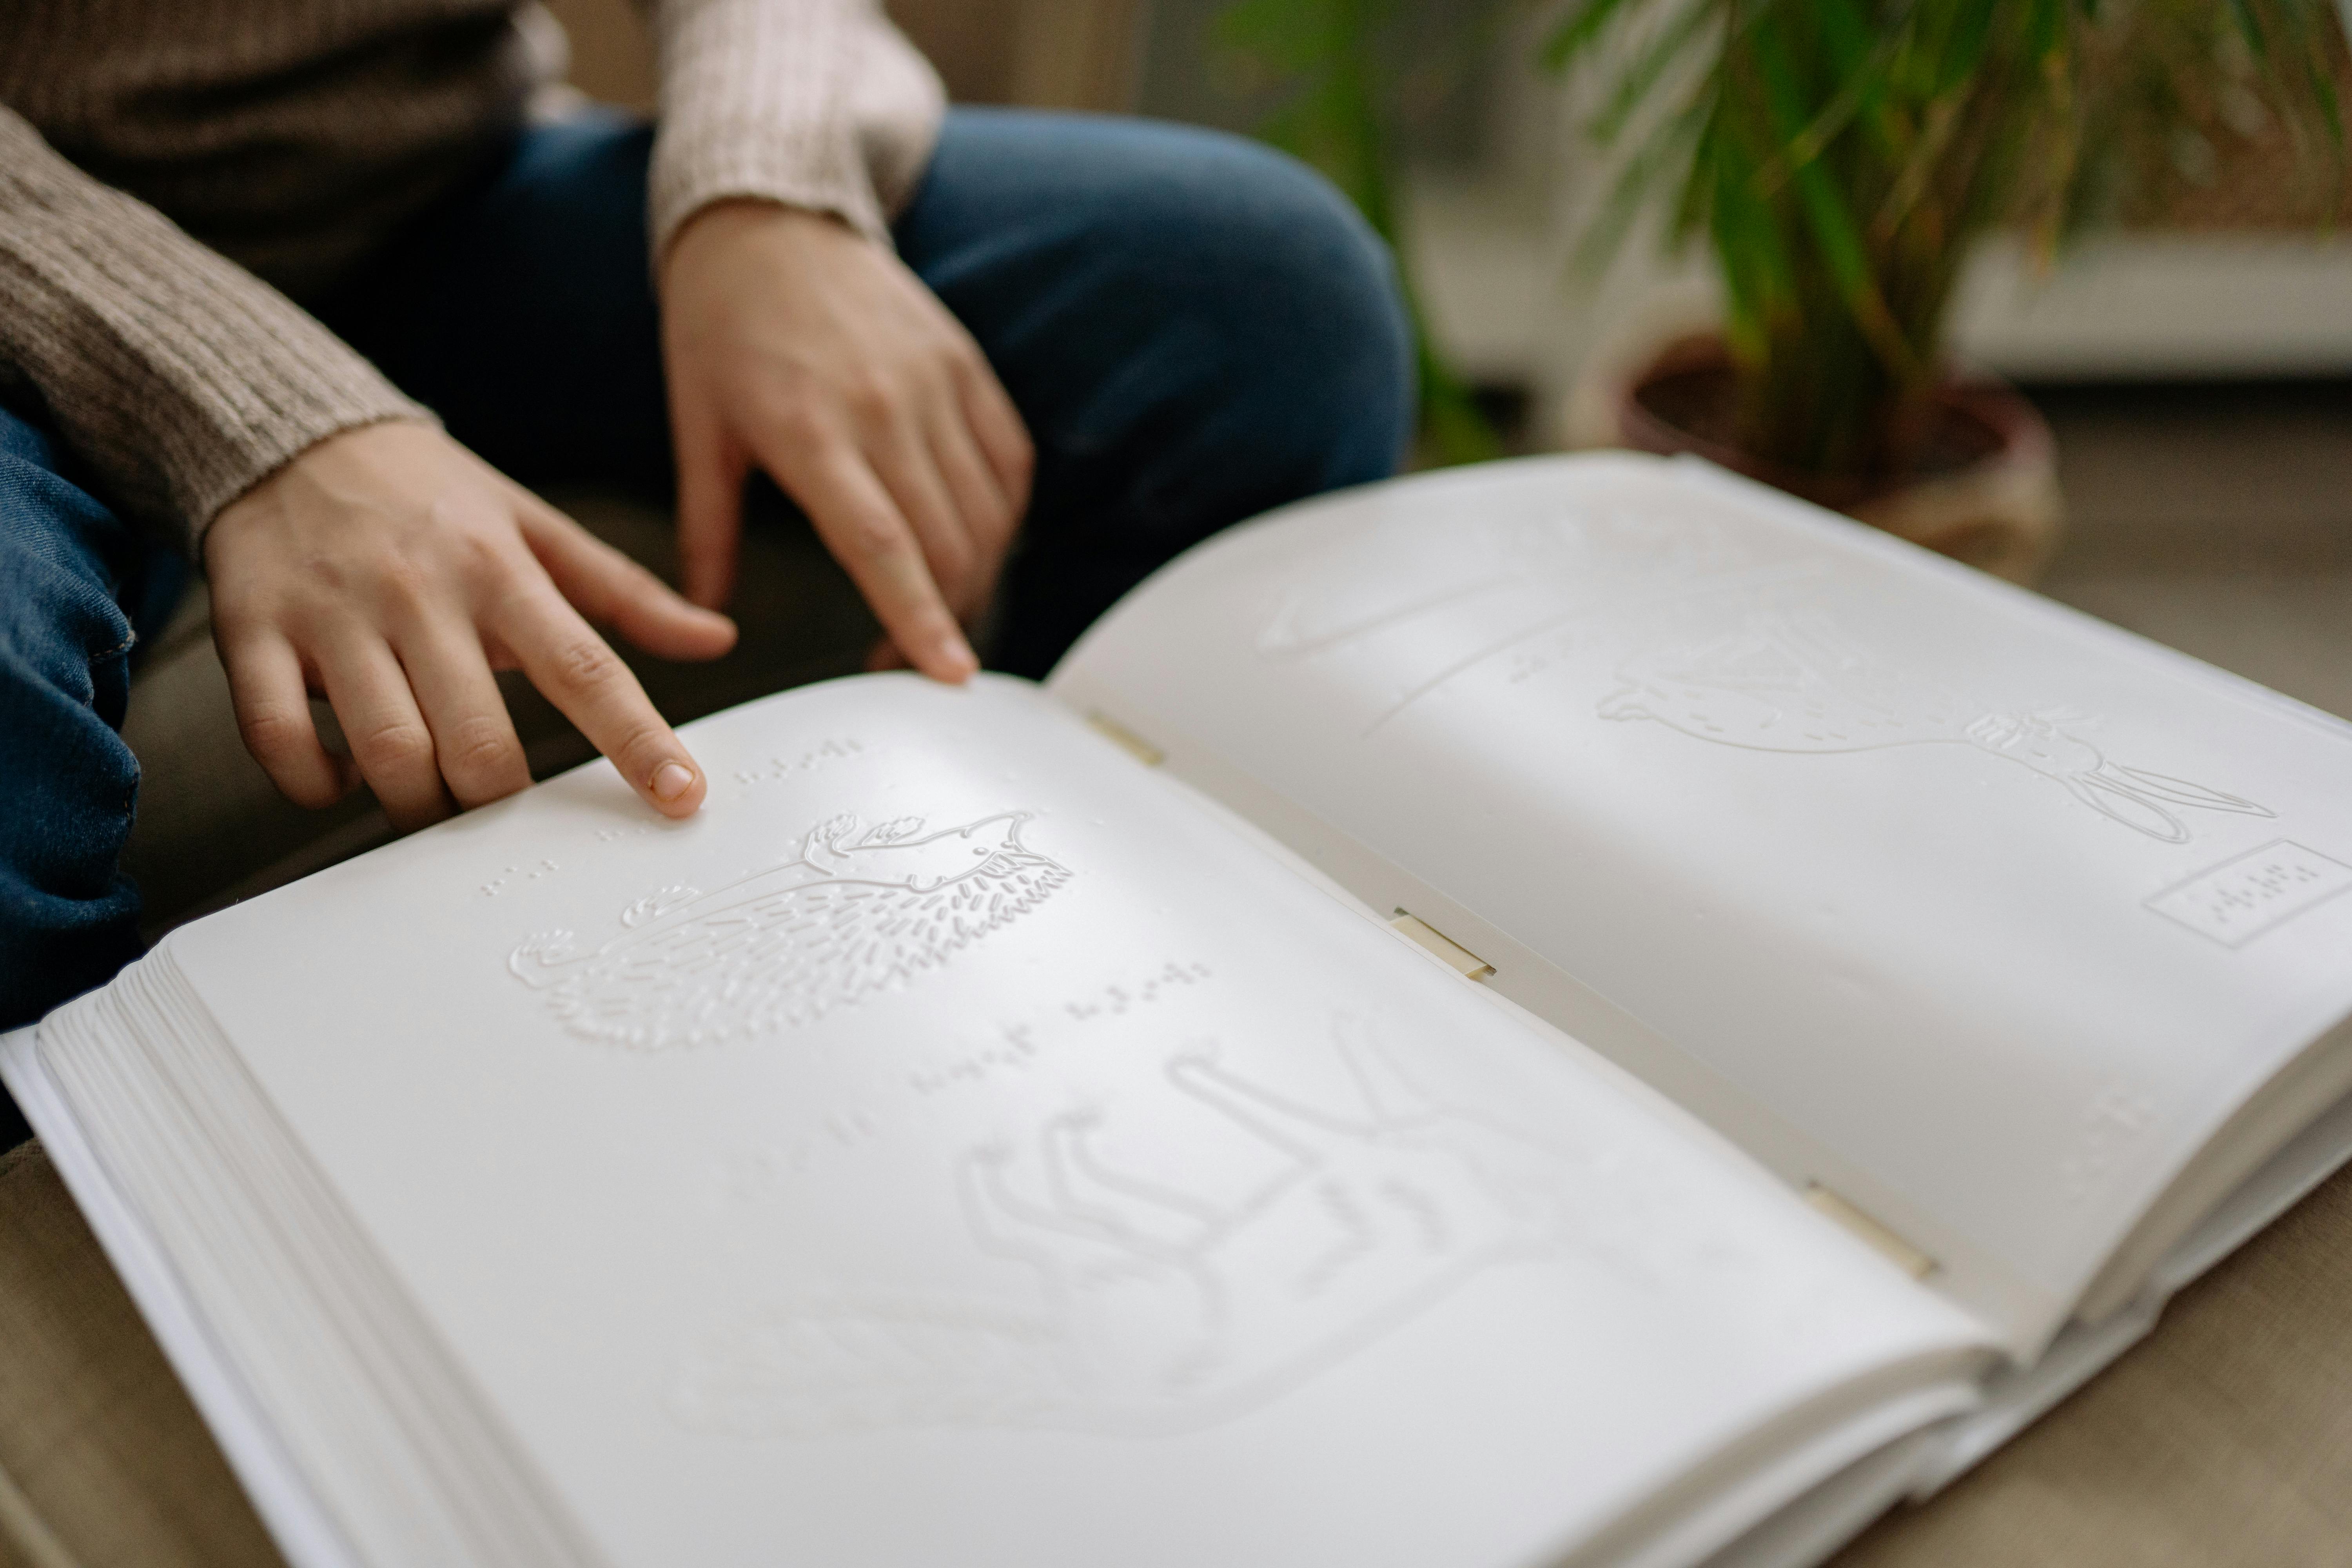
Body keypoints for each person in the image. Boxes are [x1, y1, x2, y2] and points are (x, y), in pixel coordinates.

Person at [0, 1, 1415, 1067]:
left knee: (1263, 294)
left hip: (448, 203)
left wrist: (760, 192)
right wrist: (265, 420)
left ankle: (1076, 965)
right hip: (31, 283)